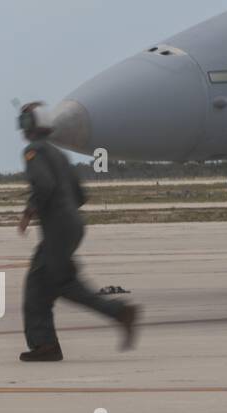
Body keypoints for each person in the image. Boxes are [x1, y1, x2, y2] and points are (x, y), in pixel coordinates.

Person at [16, 103, 139, 360]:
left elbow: (45, 185)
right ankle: (46, 345)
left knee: (52, 285)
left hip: (59, 229)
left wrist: (31, 210)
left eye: (25, 121)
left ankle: (116, 313)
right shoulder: (57, 154)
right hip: (72, 226)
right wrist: (64, 213)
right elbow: (80, 194)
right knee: (47, 284)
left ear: (31, 124)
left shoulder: (34, 151)